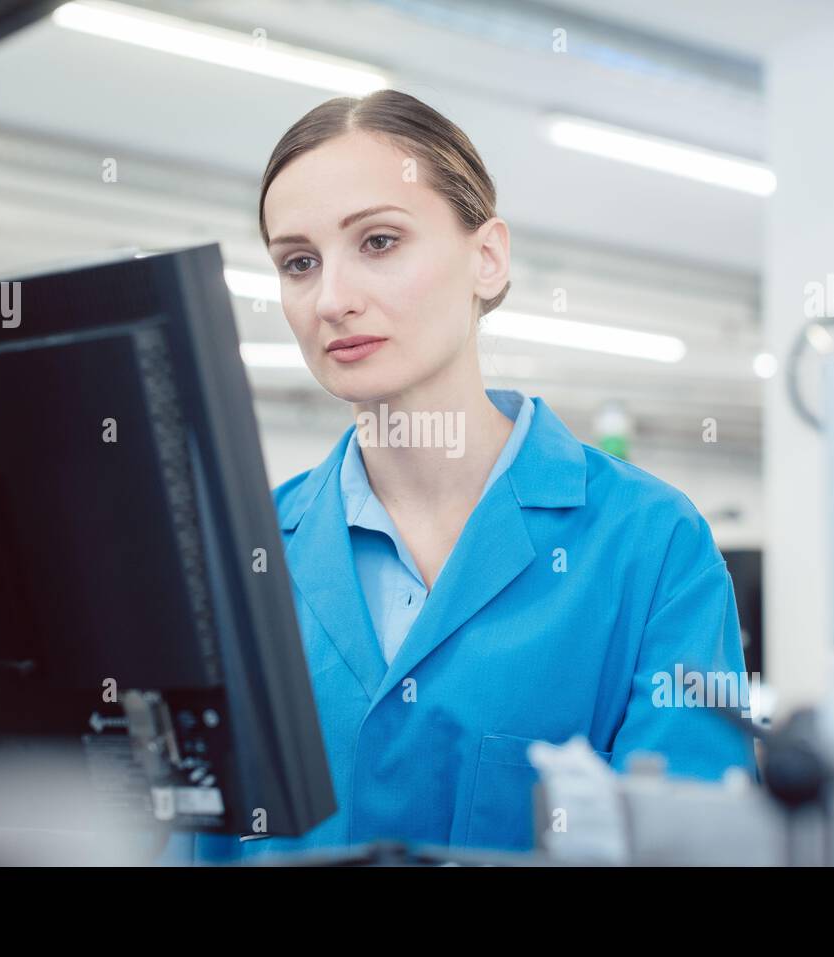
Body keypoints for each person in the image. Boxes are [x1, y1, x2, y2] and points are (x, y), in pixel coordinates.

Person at [191, 89, 756, 862]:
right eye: (298, 262)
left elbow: (694, 848)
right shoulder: (240, 555)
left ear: (486, 259)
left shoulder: (654, 545)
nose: (331, 298)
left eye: (380, 242)